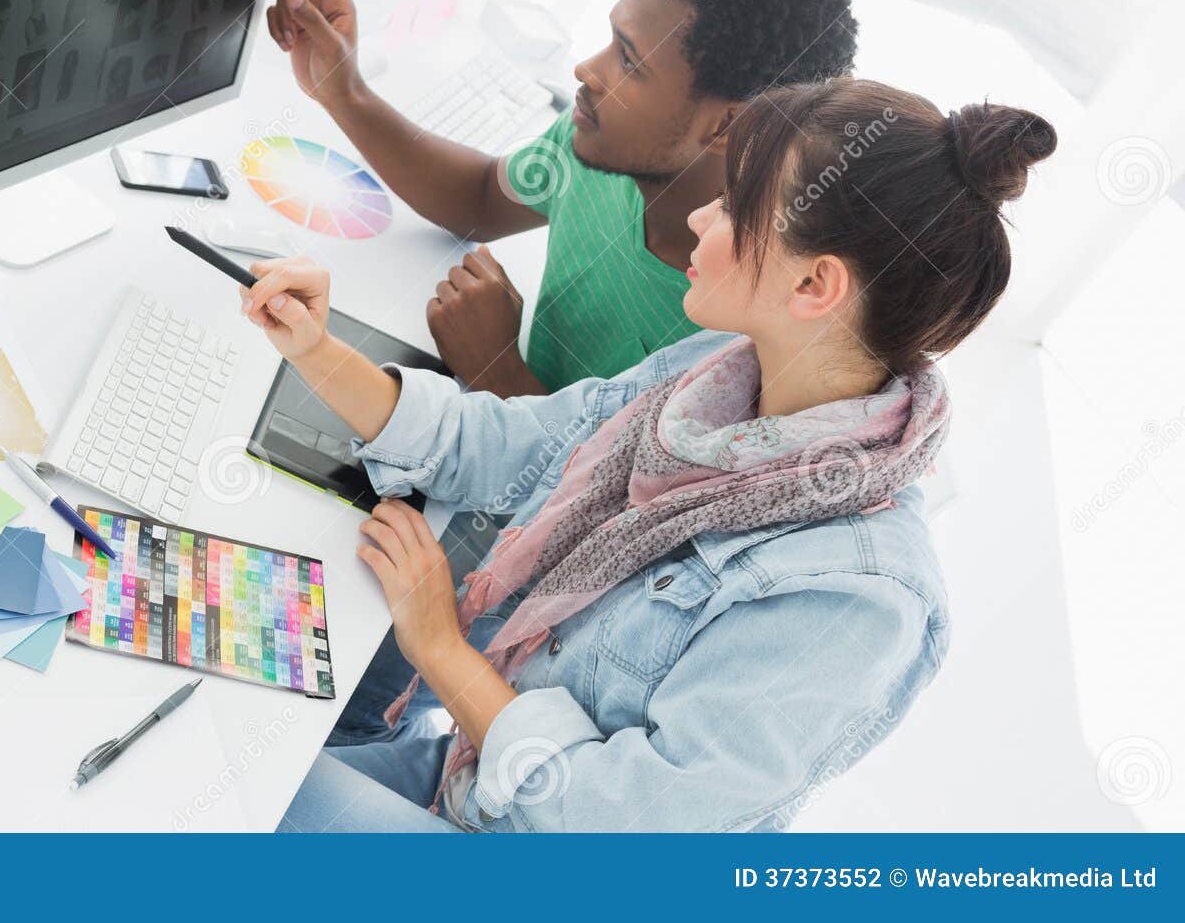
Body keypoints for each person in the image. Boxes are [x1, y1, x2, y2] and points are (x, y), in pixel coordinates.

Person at [234, 78, 1055, 832]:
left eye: (735, 206)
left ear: (815, 287)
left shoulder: (856, 598)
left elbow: (612, 828)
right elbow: (505, 447)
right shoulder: (710, 377)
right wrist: (316, 348)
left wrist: (441, 643)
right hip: (478, 779)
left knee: (220, 805)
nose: (701, 217)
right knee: (230, 754)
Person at [266, 0, 858, 397]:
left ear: (728, 123)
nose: (587, 69)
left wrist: (499, 372)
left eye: (629, 61)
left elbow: (620, 511)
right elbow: (478, 199)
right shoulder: (603, 149)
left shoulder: (746, 331)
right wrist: (345, 93)